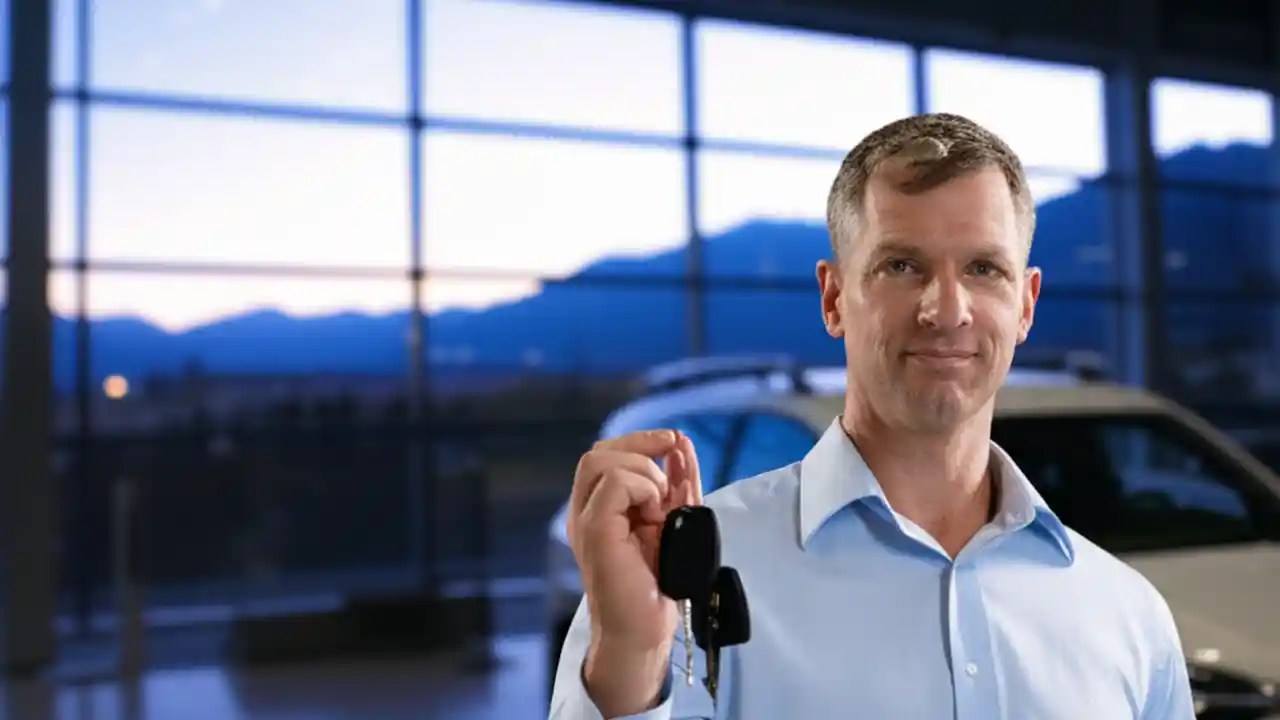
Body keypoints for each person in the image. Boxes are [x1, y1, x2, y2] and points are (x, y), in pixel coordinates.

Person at [548, 113, 1196, 719]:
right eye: (902, 266)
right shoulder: (673, 587)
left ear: (1025, 305)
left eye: (983, 268)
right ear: (834, 299)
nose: (947, 310)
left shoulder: (1128, 615)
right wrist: (632, 659)